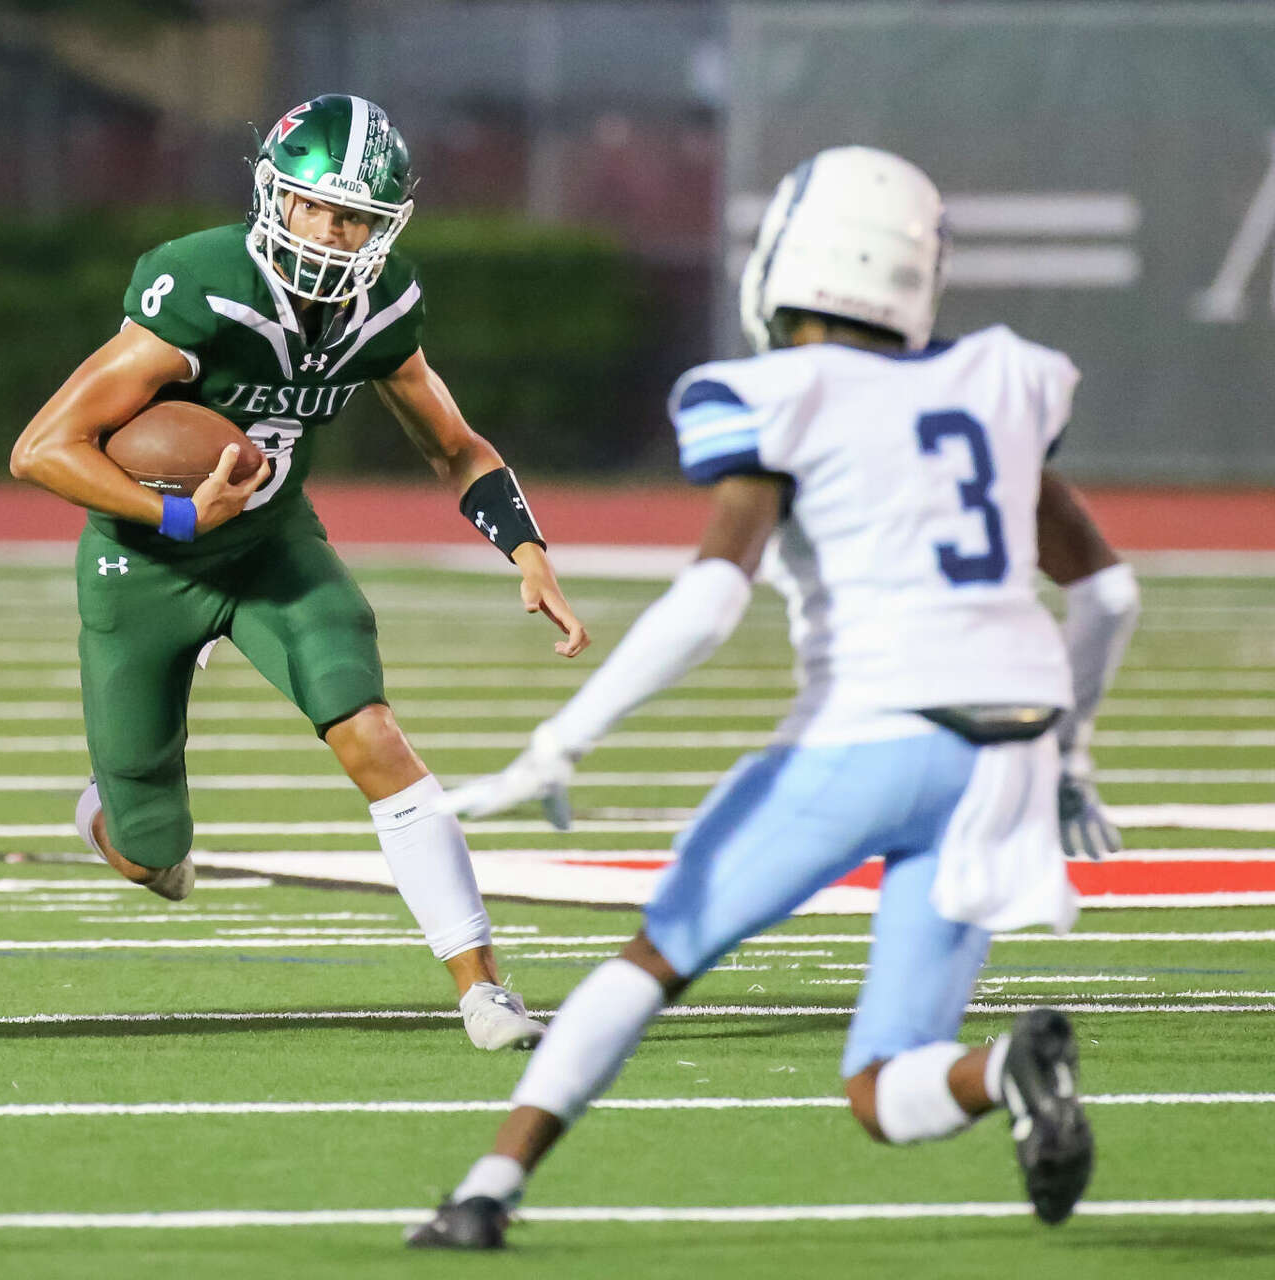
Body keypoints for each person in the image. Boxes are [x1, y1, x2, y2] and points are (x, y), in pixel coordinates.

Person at [408, 146, 1141, 1245]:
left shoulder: (772, 393)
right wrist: (1071, 754)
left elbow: (710, 600)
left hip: (877, 735)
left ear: (789, 260)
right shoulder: (1000, 377)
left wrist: (564, 736)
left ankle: (485, 1192)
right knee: (884, 1089)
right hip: (1010, 755)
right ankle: (1009, 1068)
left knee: (652, 961)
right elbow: (1110, 593)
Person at [11, 94, 591, 1051]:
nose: (331, 232)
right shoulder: (203, 284)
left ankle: (485, 990)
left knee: (374, 736)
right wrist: (179, 509)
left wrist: (527, 551)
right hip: (145, 559)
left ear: (385, 226)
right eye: (315, 207)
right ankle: (114, 815)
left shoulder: (383, 303)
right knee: (154, 855)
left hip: (273, 545)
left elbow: (454, 445)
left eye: (355, 215)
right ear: (273, 197)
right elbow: (41, 447)